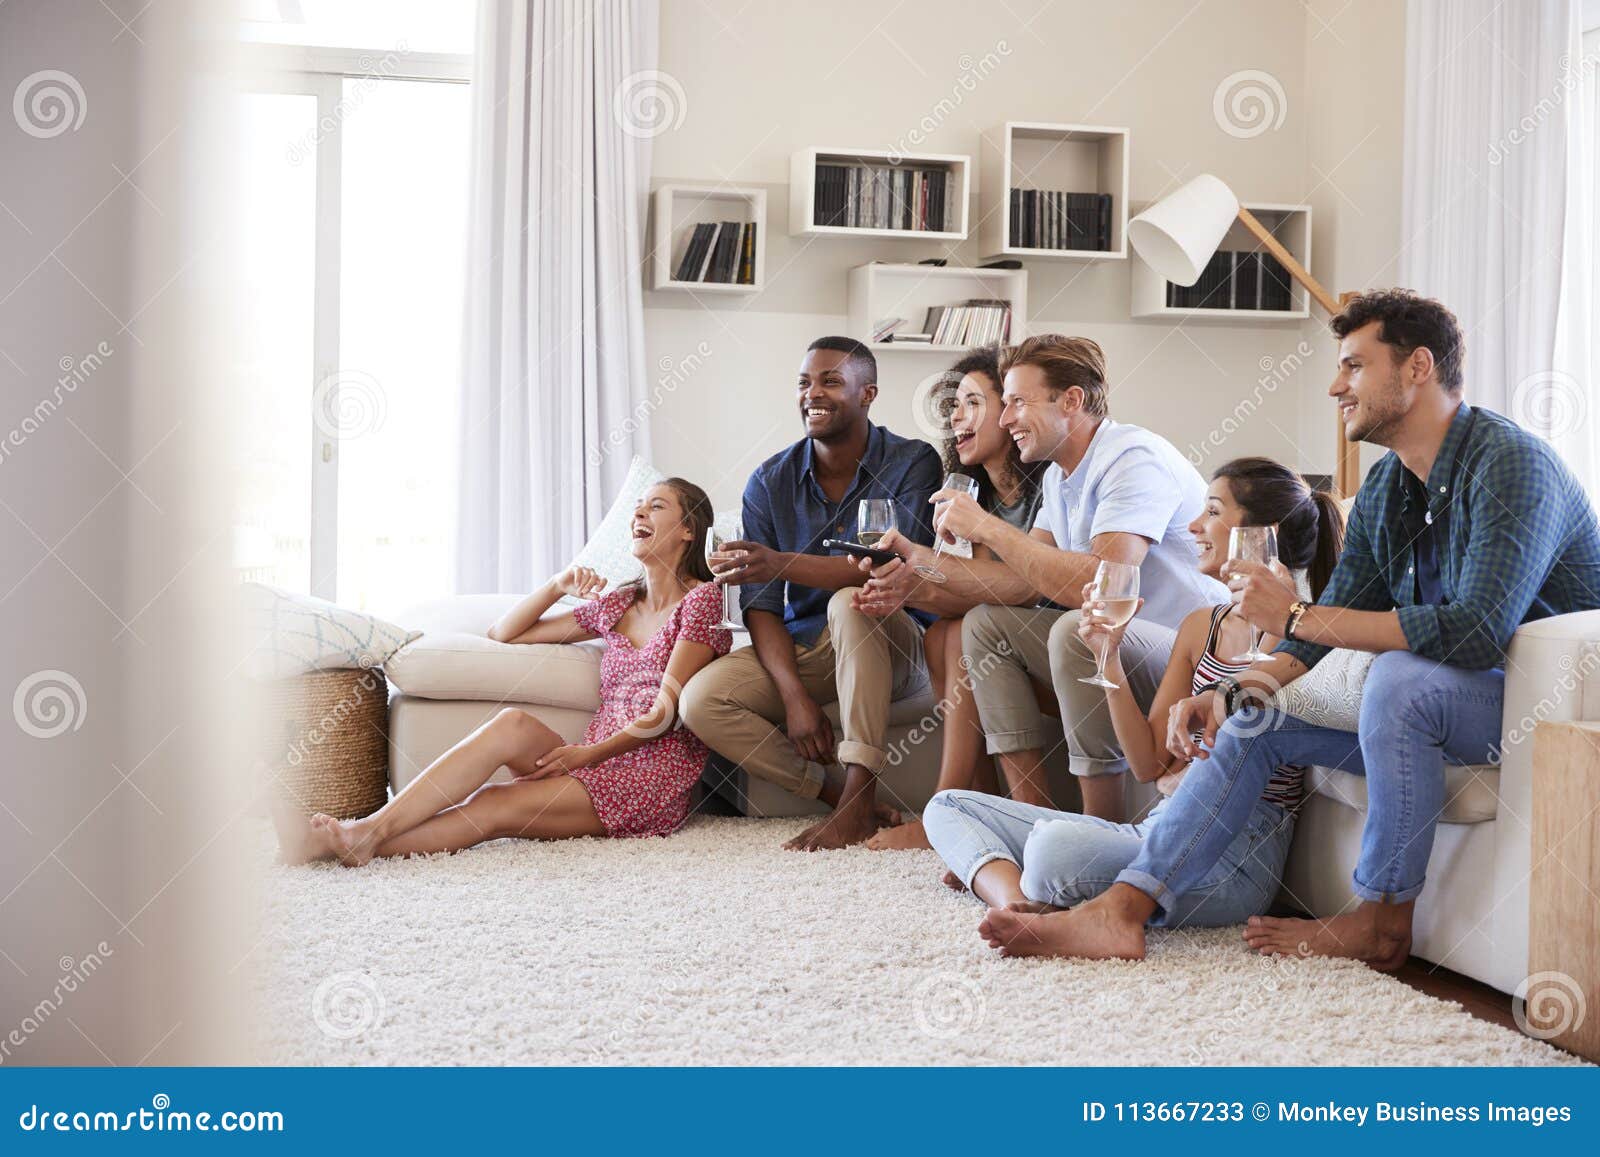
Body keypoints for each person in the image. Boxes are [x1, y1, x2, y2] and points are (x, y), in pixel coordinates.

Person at [977, 290, 1600, 968]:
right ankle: (1123, 910)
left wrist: (1296, 615)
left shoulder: (1511, 465)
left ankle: (1382, 921)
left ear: (1418, 366)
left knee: (1400, 680)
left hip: (1535, 707)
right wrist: (1238, 686)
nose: (1337, 385)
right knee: (1254, 721)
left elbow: (1476, 632)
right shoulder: (1391, 485)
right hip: (1439, 708)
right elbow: (1325, 624)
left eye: (1355, 367)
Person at [924, 458, 1343, 926]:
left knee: (1049, 850)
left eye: (1212, 511)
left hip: (1235, 854)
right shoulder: (1201, 626)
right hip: (1160, 827)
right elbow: (1148, 766)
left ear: (1259, 534)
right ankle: (1013, 905)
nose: (1194, 525)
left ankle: (1016, 881)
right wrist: (1109, 654)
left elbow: (1241, 740)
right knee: (947, 806)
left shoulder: (1304, 629)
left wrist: (1277, 614)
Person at [274, 479, 732, 866]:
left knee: (494, 804)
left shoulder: (703, 602)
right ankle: (363, 834)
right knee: (511, 723)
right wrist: (557, 585)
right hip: (591, 756)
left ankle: (357, 840)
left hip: (649, 773)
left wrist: (587, 756)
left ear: (688, 530)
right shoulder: (618, 604)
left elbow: (664, 711)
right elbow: (505, 632)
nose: (639, 514)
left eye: (656, 506)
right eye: (637, 507)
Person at [878, 334, 1226, 822]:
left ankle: (1098, 827)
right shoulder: (1059, 478)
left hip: (1187, 654)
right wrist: (916, 559)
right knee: (985, 625)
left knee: (1077, 630)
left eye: (1018, 401)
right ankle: (1035, 818)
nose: (1005, 418)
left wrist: (985, 526)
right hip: (1125, 643)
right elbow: (1023, 581)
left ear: (1072, 401)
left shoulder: (1132, 458)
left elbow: (1105, 584)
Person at [679, 337, 942, 851]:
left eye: (830, 381)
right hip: (811, 646)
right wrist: (795, 697)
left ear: (867, 394)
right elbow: (760, 604)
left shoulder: (913, 462)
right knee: (701, 701)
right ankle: (835, 792)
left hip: (896, 640)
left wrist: (780, 563)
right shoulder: (770, 481)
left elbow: (888, 568)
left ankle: (859, 797)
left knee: (852, 600)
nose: (812, 393)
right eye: (804, 382)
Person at [850, 347, 1046, 851]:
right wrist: (904, 584)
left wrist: (917, 563)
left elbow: (1021, 584)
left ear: (1010, 412)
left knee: (959, 633)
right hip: (998, 629)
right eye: (953, 404)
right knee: (941, 632)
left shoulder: (1047, 490)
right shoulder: (971, 493)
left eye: (972, 403)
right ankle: (976, 801)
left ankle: (948, 802)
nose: (956, 415)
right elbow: (964, 586)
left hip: (1045, 626)